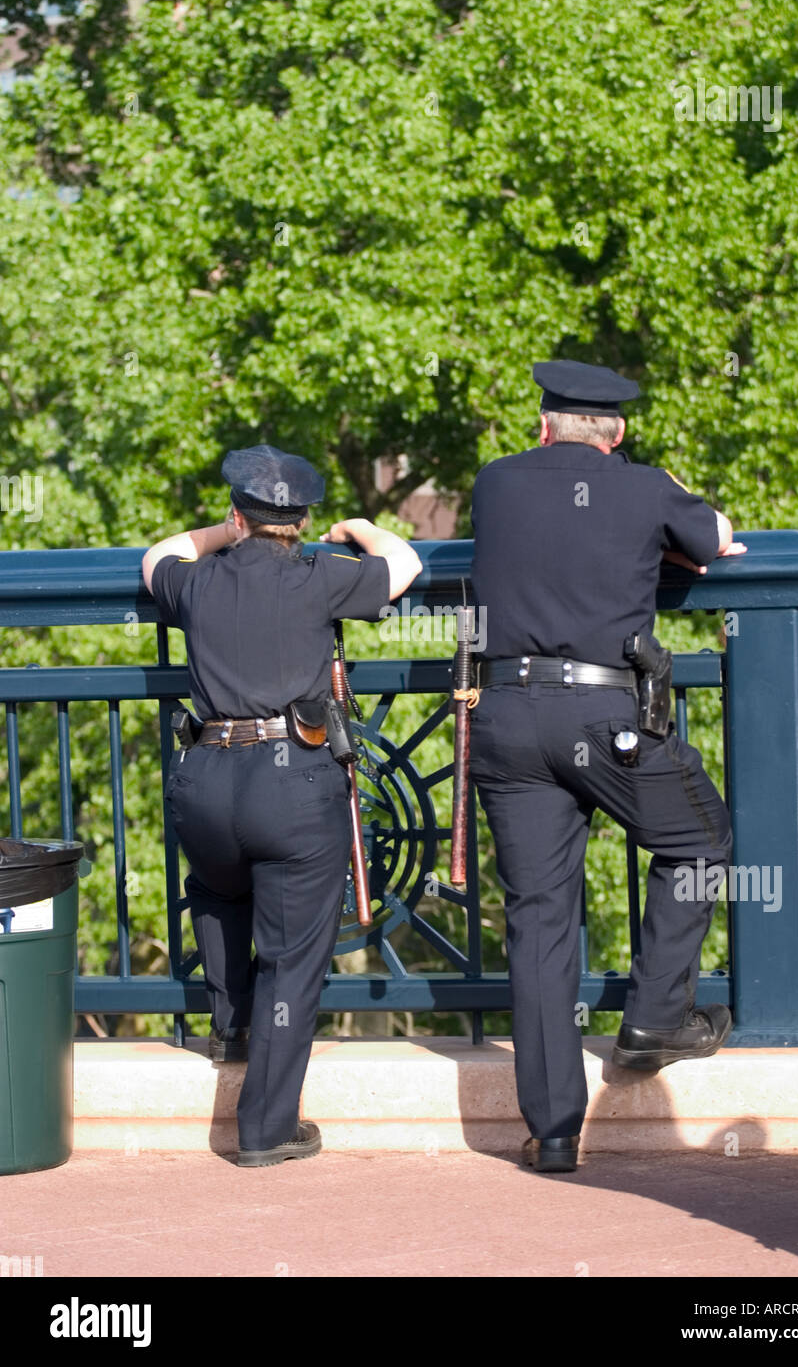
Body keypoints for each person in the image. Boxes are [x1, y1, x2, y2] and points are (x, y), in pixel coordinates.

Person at [469, 361, 747, 1174]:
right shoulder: (640, 487)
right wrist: (666, 509)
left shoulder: (495, 483)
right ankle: (657, 1017)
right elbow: (716, 536)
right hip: (602, 719)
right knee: (700, 841)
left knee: (539, 915)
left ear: (542, 422)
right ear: (617, 433)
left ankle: (553, 1132)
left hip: (506, 719)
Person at [142, 444, 421, 1166]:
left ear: (238, 515)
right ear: (299, 519)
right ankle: (265, 1130)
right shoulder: (319, 576)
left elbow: (155, 555)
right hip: (291, 781)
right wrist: (359, 526)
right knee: (293, 957)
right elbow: (407, 565)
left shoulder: (195, 583)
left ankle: (232, 1029)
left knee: (214, 891)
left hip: (205, 778)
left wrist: (217, 536)